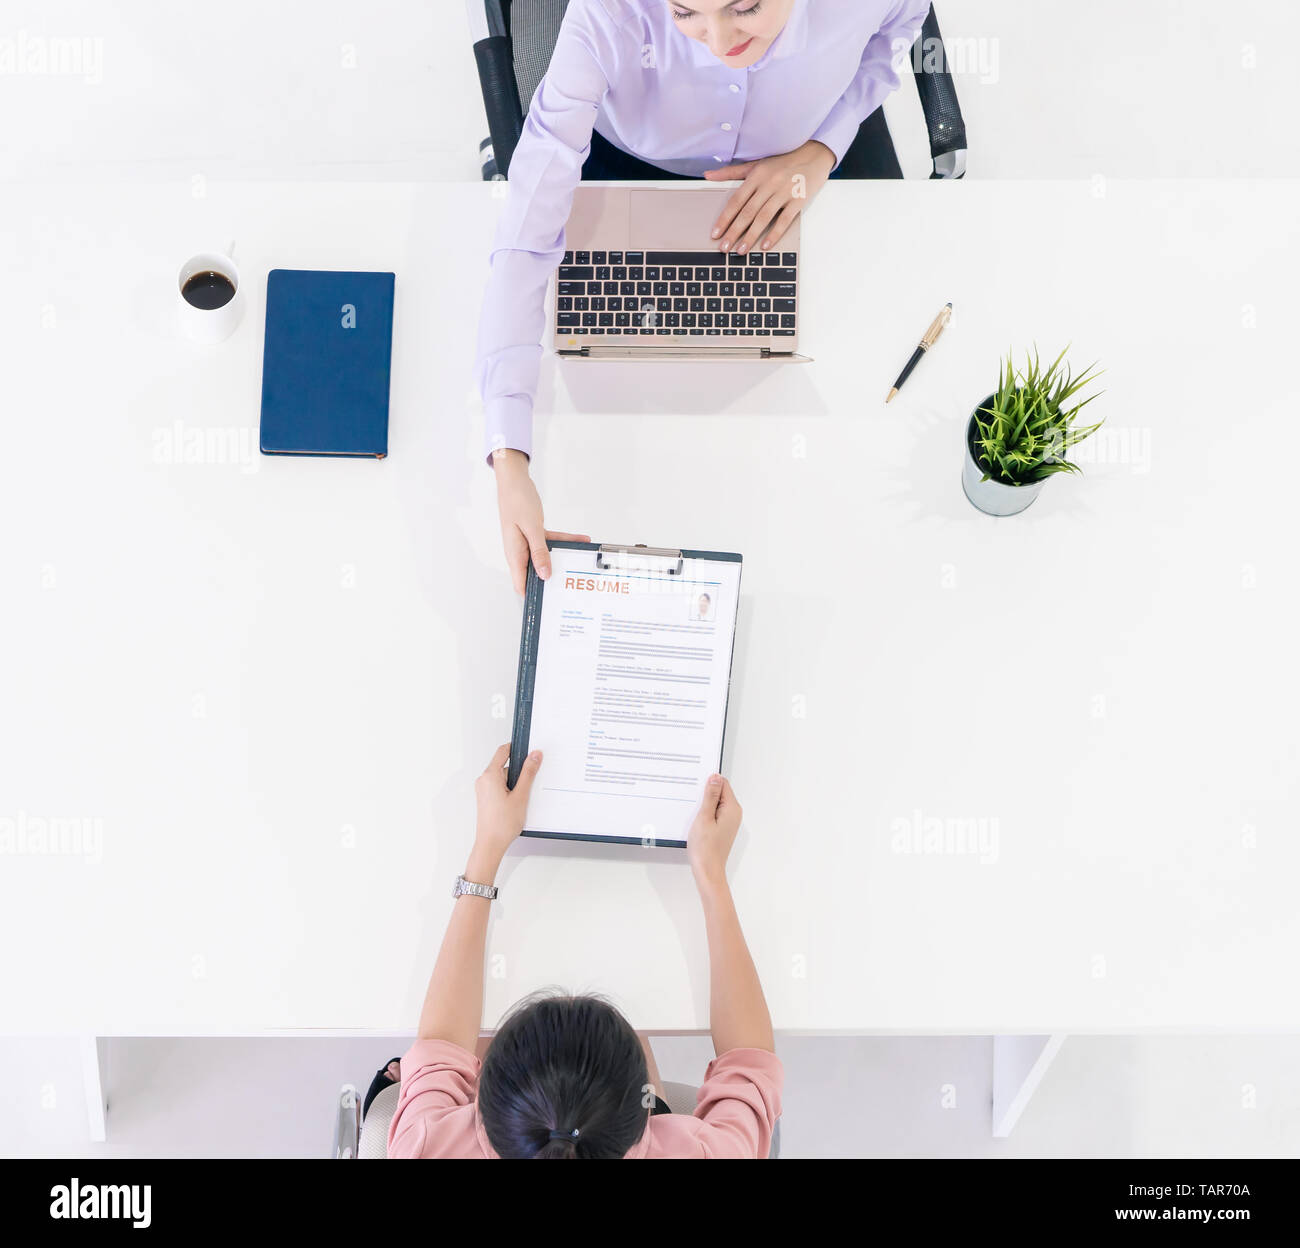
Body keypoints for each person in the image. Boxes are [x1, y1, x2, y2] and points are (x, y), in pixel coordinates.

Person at [479, 0, 933, 592]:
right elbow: (527, 232)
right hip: (633, 158)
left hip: (800, 159)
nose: (717, 42)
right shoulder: (607, 15)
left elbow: (900, 29)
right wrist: (509, 455)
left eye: (745, 8)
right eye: (685, 12)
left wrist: (825, 147)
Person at [387, 746, 781, 1158]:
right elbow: (749, 1064)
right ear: (643, 1112)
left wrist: (487, 848)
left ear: (482, 1104)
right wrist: (712, 873)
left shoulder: (428, 1145)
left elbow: (441, 1046)